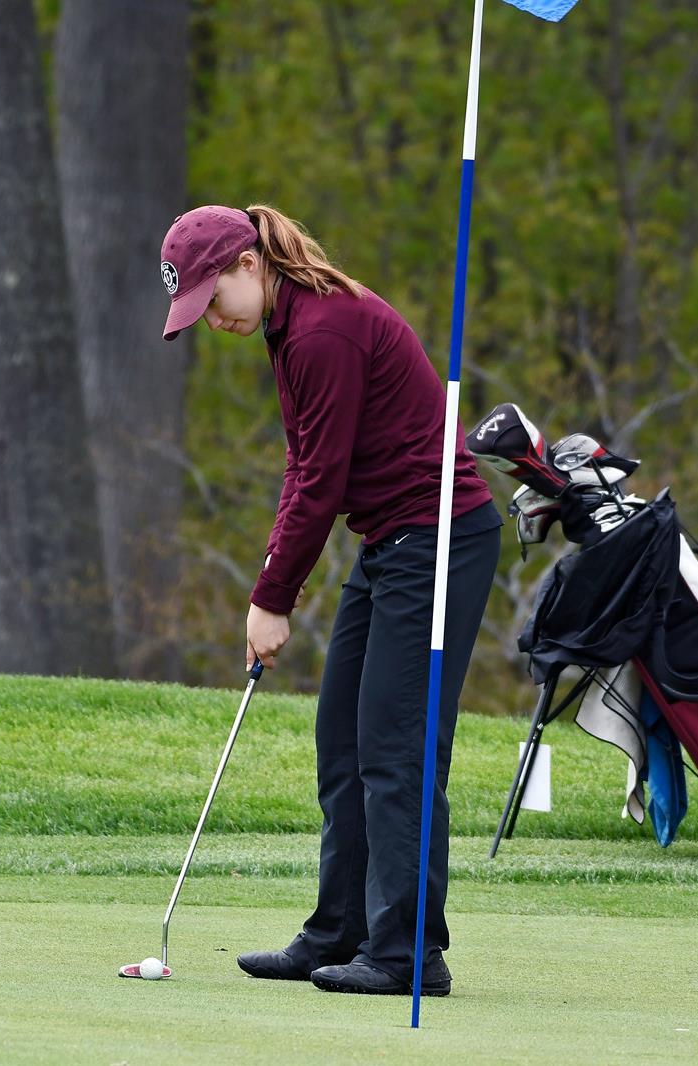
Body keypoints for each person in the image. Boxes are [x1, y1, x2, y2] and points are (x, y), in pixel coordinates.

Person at [159, 204, 501, 997]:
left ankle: (408, 953)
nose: (212, 320)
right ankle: (338, 933)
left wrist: (272, 596)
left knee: (395, 746)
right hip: (392, 541)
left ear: (249, 264)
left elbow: (322, 481)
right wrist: (276, 580)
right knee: (342, 739)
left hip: (440, 539)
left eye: (212, 300)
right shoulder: (290, 328)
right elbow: (305, 466)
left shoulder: (320, 331)